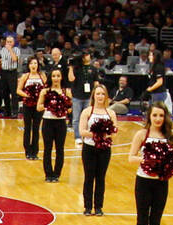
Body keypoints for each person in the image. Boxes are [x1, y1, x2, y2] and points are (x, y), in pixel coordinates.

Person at [128, 104, 173, 225]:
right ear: (149, 117)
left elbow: (172, 159)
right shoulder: (142, 134)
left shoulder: (169, 136)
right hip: (143, 181)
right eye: (155, 115)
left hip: (161, 183)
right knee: (142, 219)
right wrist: (149, 160)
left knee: (156, 221)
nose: (158, 119)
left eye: (161, 115)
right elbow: (131, 157)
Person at [79, 82, 118, 216]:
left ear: (106, 96)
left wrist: (105, 135)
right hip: (89, 148)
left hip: (104, 149)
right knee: (89, 177)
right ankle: (88, 207)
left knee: (101, 178)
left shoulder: (111, 113)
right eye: (98, 94)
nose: (100, 96)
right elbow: (82, 131)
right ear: (93, 96)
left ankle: (99, 207)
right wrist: (96, 134)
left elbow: (114, 132)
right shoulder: (87, 111)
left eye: (103, 94)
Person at [36, 66, 72, 183]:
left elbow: (70, 108)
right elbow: (38, 107)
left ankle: (57, 174)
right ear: (50, 78)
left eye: (58, 76)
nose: (56, 78)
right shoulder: (45, 91)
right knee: (47, 149)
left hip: (61, 122)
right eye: (54, 76)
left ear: (61, 77)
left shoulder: (66, 91)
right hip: (48, 122)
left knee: (60, 149)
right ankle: (48, 174)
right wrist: (49, 105)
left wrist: (63, 107)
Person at [16, 57, 45, 160]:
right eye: (32, 63)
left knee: (36, 128)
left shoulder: (42, 76)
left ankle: (35, 152)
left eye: (35, 63)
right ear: (29, 65)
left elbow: (46, 89)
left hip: (38, 105)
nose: (34, 65)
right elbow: (18, 90)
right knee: (27, 128)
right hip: (27, 104)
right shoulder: (25, 76)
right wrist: (27, 95)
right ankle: (27, 151)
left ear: (38, 65)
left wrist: (41, 97)